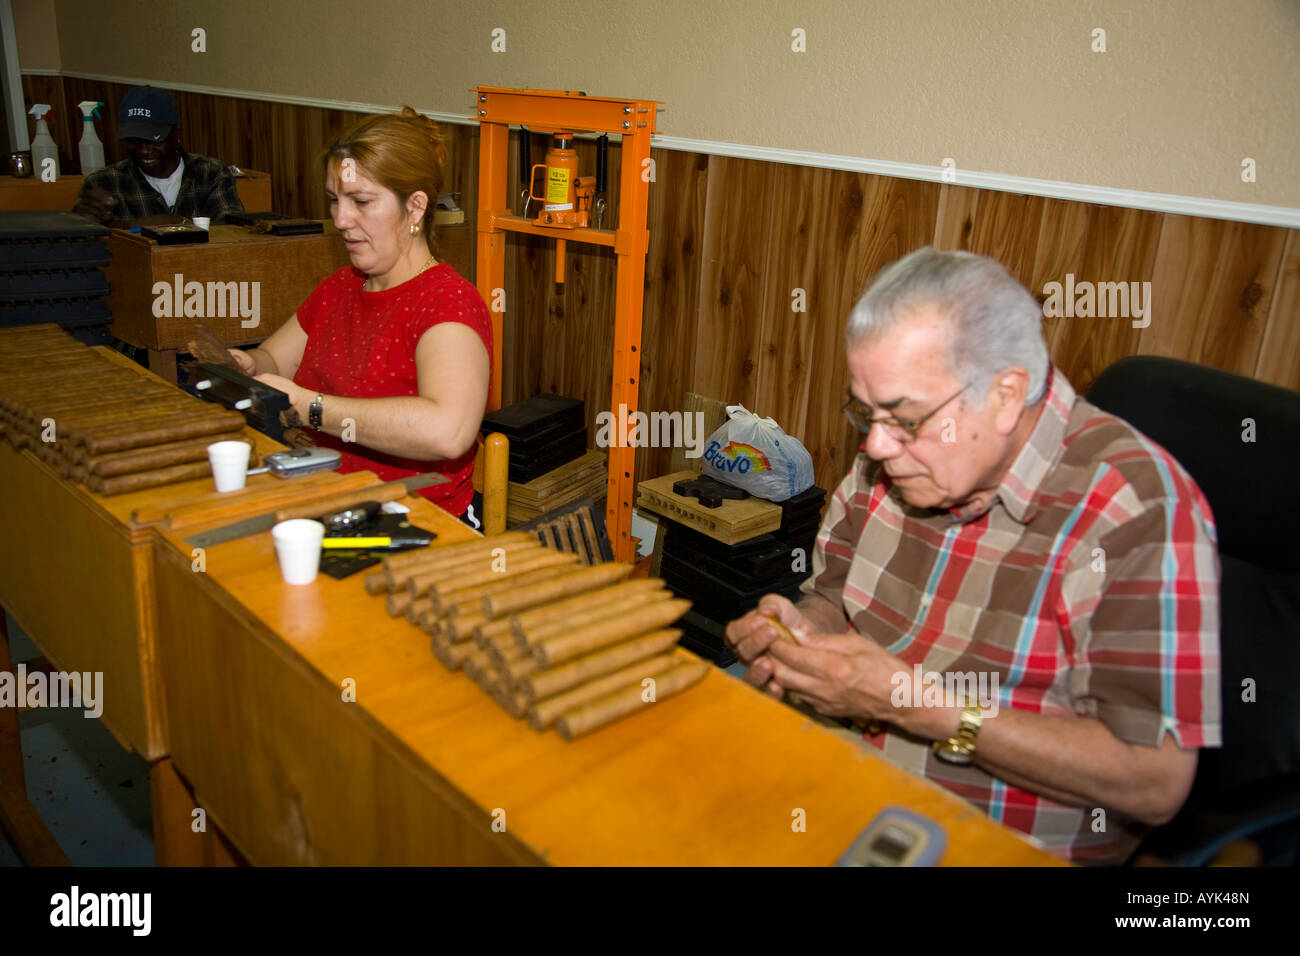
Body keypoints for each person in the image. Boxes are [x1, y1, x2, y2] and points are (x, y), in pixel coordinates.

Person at [724, 248, 1221, 864]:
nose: (876, 443)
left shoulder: (1137, 511)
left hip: (994, 839)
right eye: (866, 411)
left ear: (1007, 395)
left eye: (904, 417)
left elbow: (1154, 782)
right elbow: (833, 598)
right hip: (845, 776)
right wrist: (802, 632)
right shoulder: (891, 459)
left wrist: (919, 704)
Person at [228, 107, 490, 523]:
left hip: (418, 525)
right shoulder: (340, 286)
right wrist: (246, 364)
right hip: (324, 502)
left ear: (416, 207)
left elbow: (448, 432)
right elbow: (275, 360)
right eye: (334, 200)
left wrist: (311, 408)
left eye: (361, 202)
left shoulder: (447, 303)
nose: (340, 220)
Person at [72, 85, 244, 225]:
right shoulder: (104, 182)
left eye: (155, 140)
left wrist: (178, 224)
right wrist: (85, 224)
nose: (143, 150)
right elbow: (83, 247)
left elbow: (234, 229)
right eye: (134, 140)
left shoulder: (210, 173)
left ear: (177, 135)